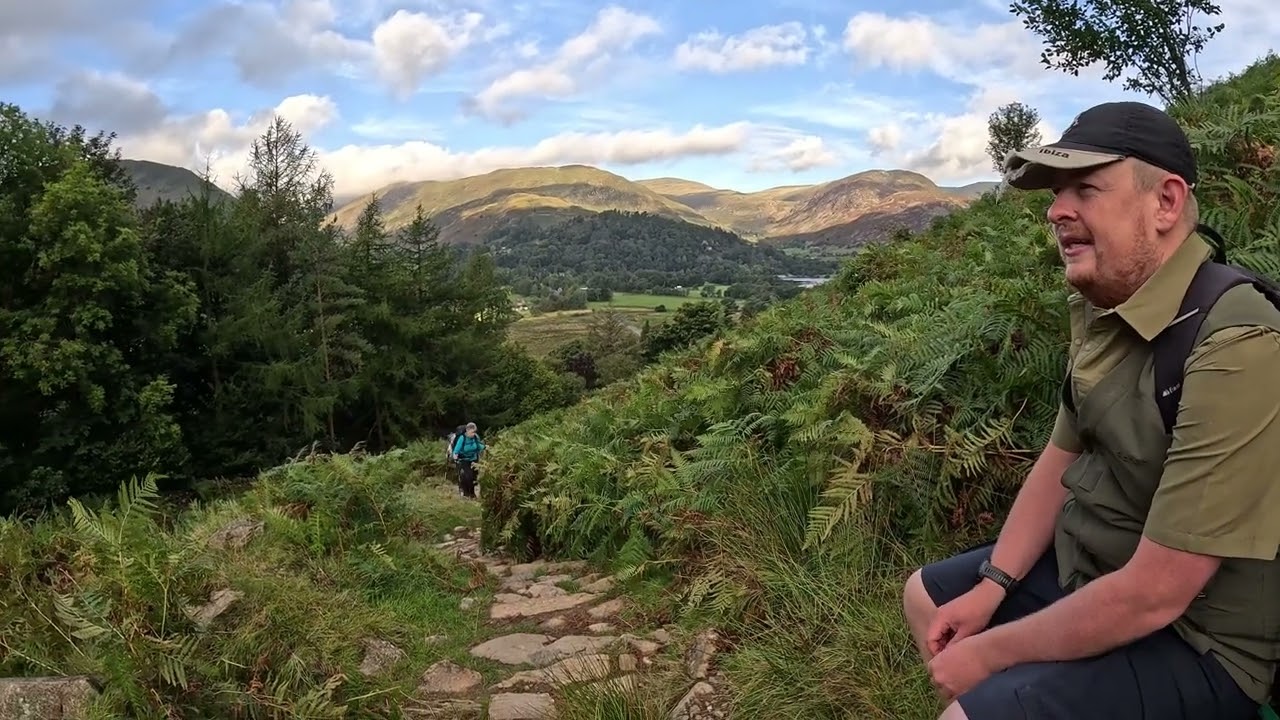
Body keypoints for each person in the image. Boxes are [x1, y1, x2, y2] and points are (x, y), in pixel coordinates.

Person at [900, 100, 1280, 719]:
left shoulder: (1237, 343)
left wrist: (993, 653)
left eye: (1086, 188)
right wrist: (994, 585)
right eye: (1055, 193)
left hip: (1198, 638)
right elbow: (1062, 454)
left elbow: (1158, 592)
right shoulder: (1109, 308)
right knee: (928, 598)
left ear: (1166, 203)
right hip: (1096, 570)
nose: (1055, 210)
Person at [450, 422, 486, 499]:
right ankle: (467, 493)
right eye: (472, 432)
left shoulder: (475, 438)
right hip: (464, 460)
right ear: (467, 431)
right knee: (468, 476)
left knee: (474, 477)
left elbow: (478, 446)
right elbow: (457, 449)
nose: (473, 434)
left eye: (474, 432)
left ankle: (472, 493)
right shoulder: (462, 438)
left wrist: (485, 447)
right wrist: (455, 455)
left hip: (474, 459)